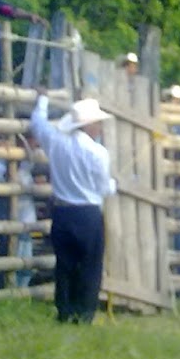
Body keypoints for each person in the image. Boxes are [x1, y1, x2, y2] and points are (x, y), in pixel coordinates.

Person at [31, 92, 116, 322]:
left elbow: (37, 123)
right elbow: (103, 188)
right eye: (97, 123)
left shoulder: (56, 141)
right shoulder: (98, 153)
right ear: (88, 125)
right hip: (88, 213)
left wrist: (42, 100)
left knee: (65, 264)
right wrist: (113, 185)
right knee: (90, 264)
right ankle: (84, 312)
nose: (100, 127)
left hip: (62, 212)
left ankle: (65, 310)